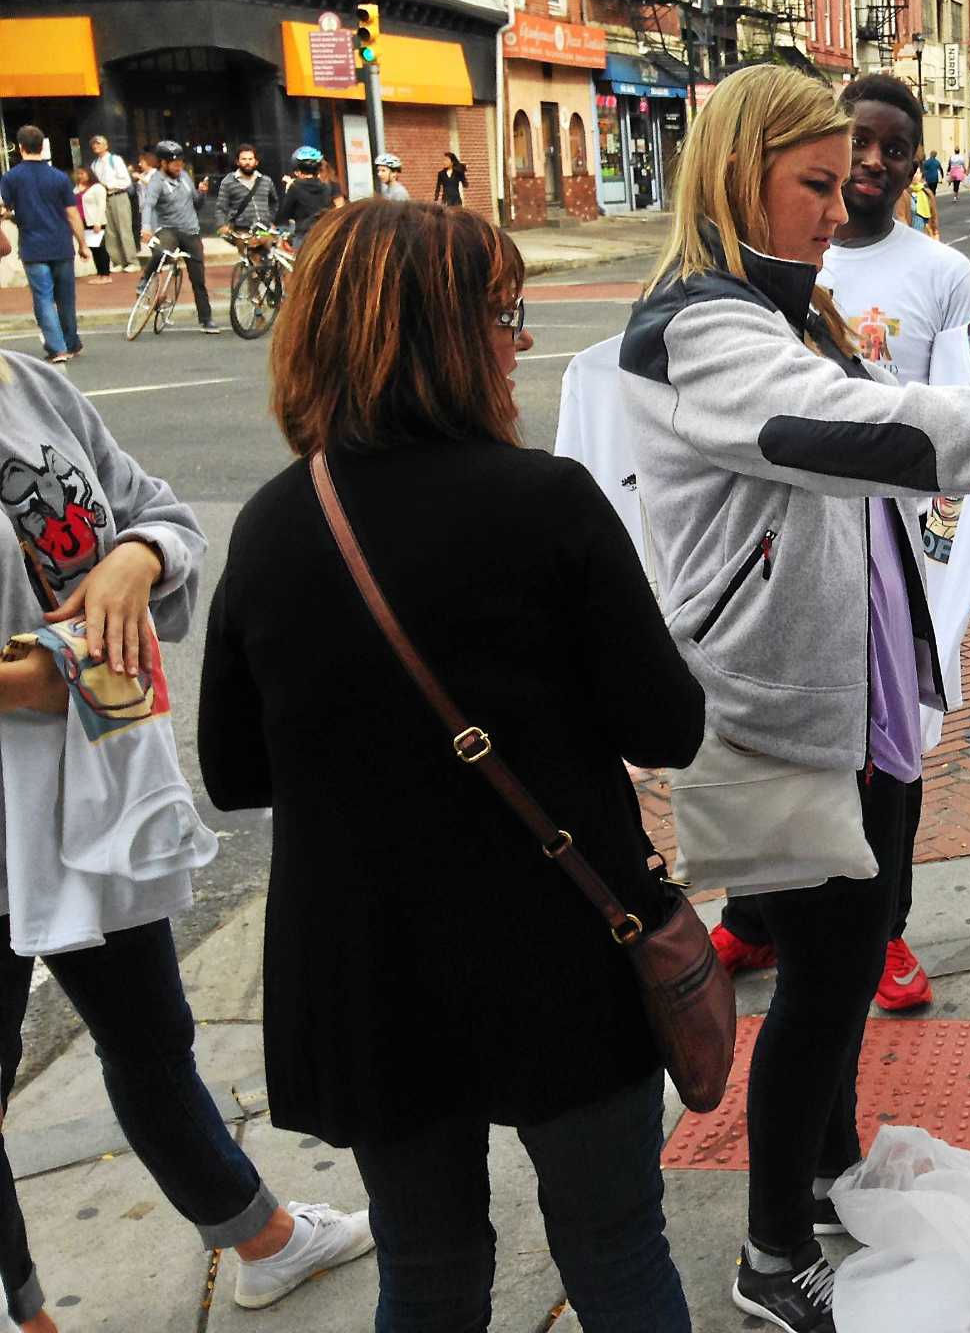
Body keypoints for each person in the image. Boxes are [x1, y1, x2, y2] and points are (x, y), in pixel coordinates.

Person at [621, 63, 970, 1332]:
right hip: (777, 704)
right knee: (821, 979)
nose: (841, 206)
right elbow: (847, 432)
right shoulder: (698, 324)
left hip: (855, 688)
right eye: (814, 183)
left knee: (848, 948)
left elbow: (887, 432)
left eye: (845, 182)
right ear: (735, 171)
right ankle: (772, 1257)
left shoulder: (776, 306)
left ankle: (827, 1174)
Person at [198, 197, 705, 1331]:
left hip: (371, 967)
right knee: (615, 1245)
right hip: (561, 946)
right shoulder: (546, 505)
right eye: (503, 314)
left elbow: (234, 771)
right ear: (441, 334)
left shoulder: (280, 524)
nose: (519, 340)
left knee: (426, 1268)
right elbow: (667, 727)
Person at [0, 348, 375, 1330]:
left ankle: (263, 1240)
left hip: (98, 798)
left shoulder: (28, 383)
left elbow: (154, 509)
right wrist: (33, 676)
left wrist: (136, 556)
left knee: (151, 1038)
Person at [709, 72, 970, 1016]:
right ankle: (755, 915)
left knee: (895, 740)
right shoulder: (758, 265)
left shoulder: (939, 271)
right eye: (859, 145)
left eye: (897, 147)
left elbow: (962, 405)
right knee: (783, 738)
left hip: (892, 540)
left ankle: (884, 932)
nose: (875, 164)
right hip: (785, 543)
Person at [0, 127, 89, 363]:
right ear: (42, 146)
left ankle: (57, 348)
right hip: (61, 245)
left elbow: (4, 208)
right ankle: (72, 343)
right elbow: (72, 214)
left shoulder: (11, 177)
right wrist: (83, 244)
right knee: (66, 298)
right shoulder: (59, 177)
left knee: (43, 298)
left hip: (33, 246)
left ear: (20, 147)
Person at [138, 141, 220, 334]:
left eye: (180, 162)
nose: (178, 166)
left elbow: (197, 204)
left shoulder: (184, 177)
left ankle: (206, 319)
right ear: (163, 163)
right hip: (168, 229)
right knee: (161, 251)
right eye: (173, 163)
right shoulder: (156, 181)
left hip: (191, 231)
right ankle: (145, 279)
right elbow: (148, 205)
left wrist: (202, 193)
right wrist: (146, 228)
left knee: (198, 279)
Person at [87, 136, 139, 272]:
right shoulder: (94, 164)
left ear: (106, 145)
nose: (95, 146)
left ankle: (132, 261)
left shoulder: (114, 160)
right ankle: (118, 262)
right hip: (104, 198)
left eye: (98, 143)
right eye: (93, 144)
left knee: (124, 229)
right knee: (110, 231)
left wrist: (108, 185)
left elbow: (126, 181)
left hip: (118, 195)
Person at [274, 148, 339, 251]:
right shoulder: (326, 187)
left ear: (297, 167)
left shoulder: (295, 187)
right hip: (324, 235)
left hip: (303, 237)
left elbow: (285, 214)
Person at [208, 145, 279, 237]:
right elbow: (221, 207)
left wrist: (270, 219)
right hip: (241, 231)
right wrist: (222, 225)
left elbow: (274, 202)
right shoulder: (229, 181)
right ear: (237, 162)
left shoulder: (266, 181)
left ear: (256, 162)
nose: (247, 162)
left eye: (250, 159)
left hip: (264, 230)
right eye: (244, 159)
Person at [71, 168, 110, 280]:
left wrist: (97, 221)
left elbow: (101, 205)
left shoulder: (97, 187)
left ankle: (105, 274)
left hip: (94, 221)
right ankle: (100, 273)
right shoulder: (76, 189)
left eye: (82, 173)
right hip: (83, 221)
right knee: (92, 248)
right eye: (78, 174)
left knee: (99, 248)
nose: (80, 176)